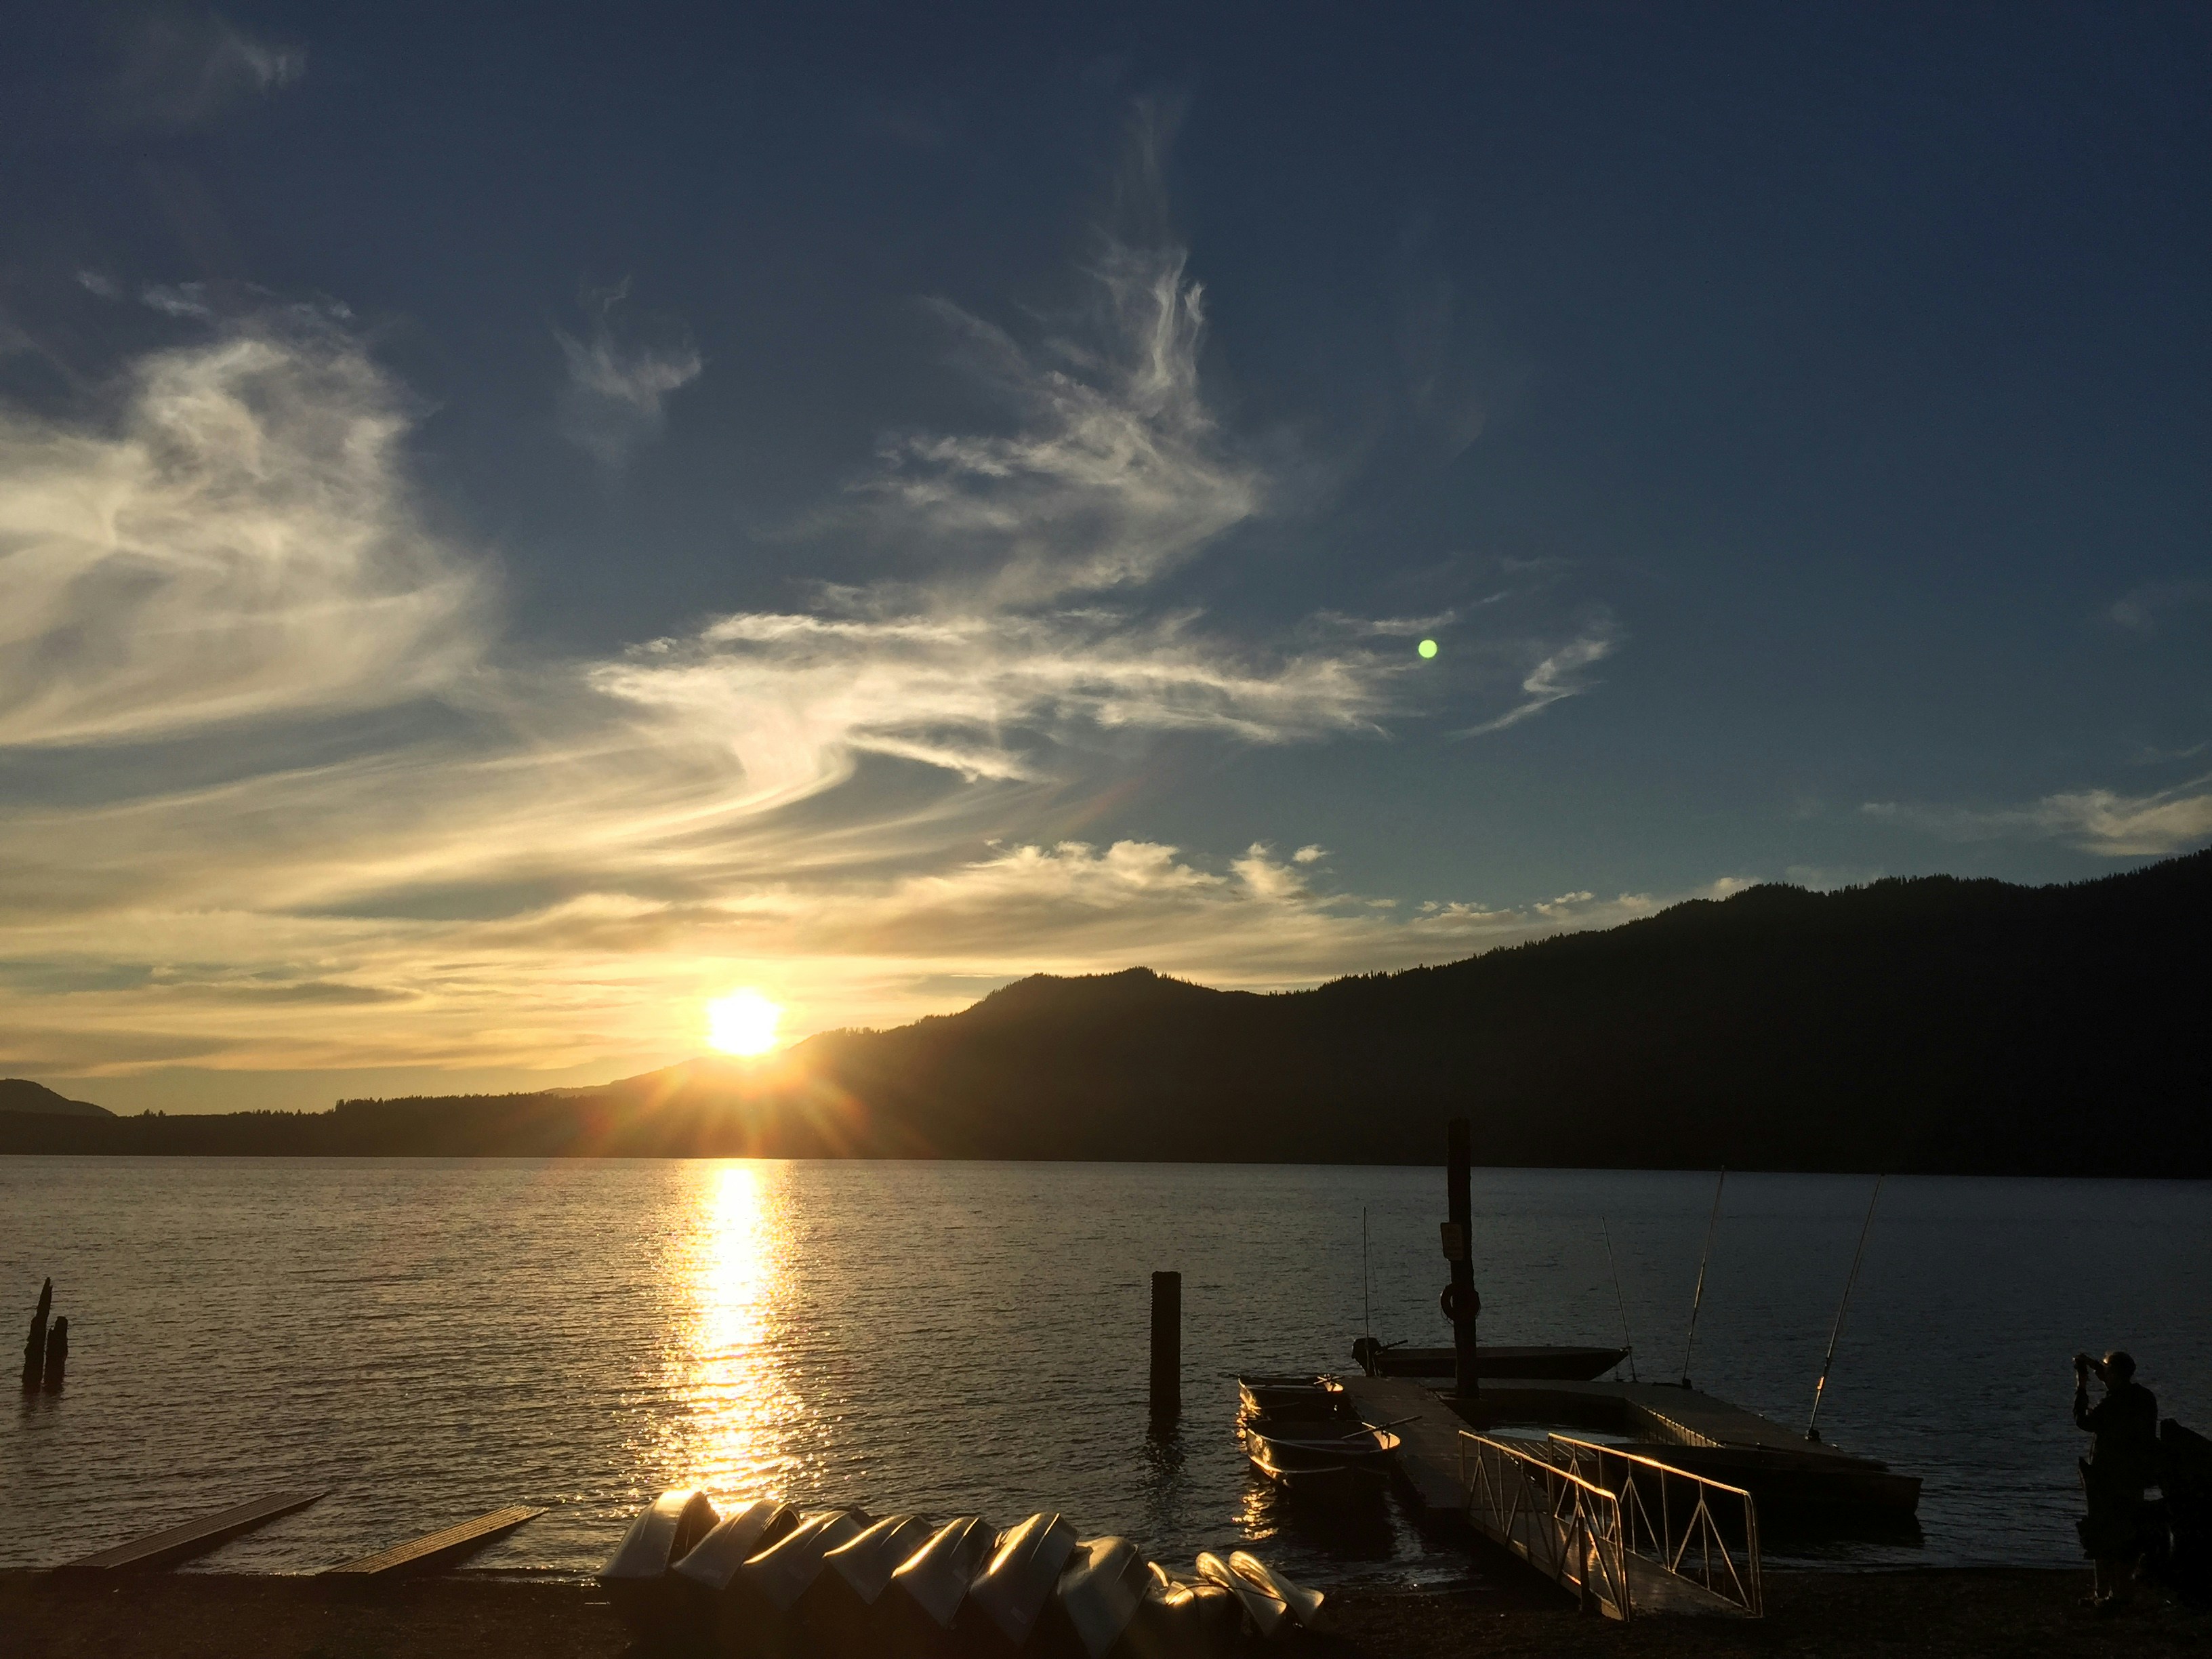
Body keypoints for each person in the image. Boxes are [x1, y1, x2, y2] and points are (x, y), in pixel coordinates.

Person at [2075, 1349, 2158, 1612]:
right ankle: (2121, 1591)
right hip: (2134, 1476)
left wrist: (2082, 1385)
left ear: (2114, 1373)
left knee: (2101, 1533)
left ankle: (2108, 1592)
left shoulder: (2113, 1404)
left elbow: (2084, 1421)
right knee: (2128, 1533)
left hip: (2107, 1478)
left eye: (2107, 1368)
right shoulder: (2145, 1398)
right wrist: (2105, 1376)